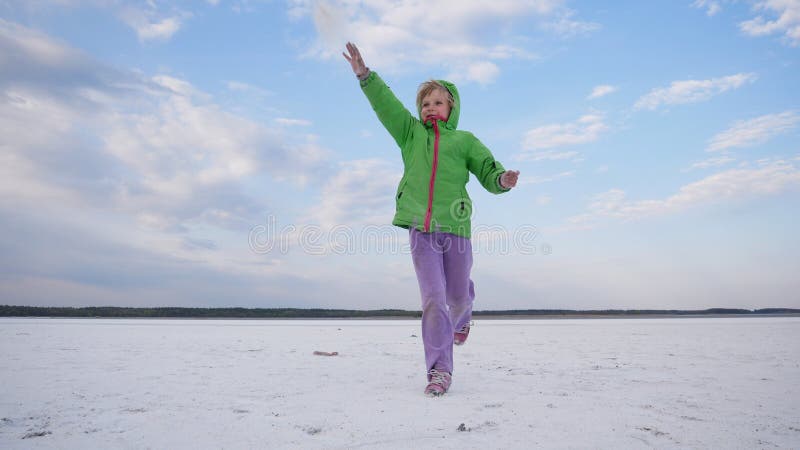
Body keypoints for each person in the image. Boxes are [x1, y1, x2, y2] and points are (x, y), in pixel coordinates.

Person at [343, 42, 519, 397]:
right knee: (433, 299)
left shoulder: (465, 141)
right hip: (420, 231)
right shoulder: (410, 135)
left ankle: (465, 309)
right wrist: (365, 76)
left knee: (456, 294)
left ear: (451, 106)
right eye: (425, 103)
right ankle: (440, 370)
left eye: (438, 102)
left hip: (456, 230)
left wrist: (501, 180)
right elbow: (386, 106)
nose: (430, 108)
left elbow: (488, 170)